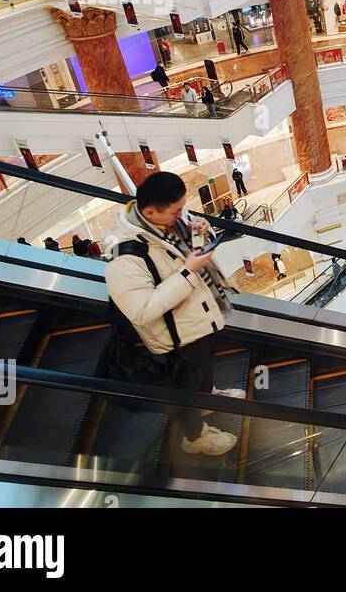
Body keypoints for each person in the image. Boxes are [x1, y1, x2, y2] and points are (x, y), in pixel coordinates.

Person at [101, 171, 243, 457]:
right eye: (177, 210)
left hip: (200, 315)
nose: (183, 214)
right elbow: (142, 310)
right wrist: (188, 271)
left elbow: (188, 250)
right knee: (186, 385)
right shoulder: (125, 256)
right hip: (175, 335)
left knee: (203, 368)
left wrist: (202, 230)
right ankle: (194, 438)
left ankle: (206, 398)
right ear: (150, 211)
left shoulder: (167, 219)